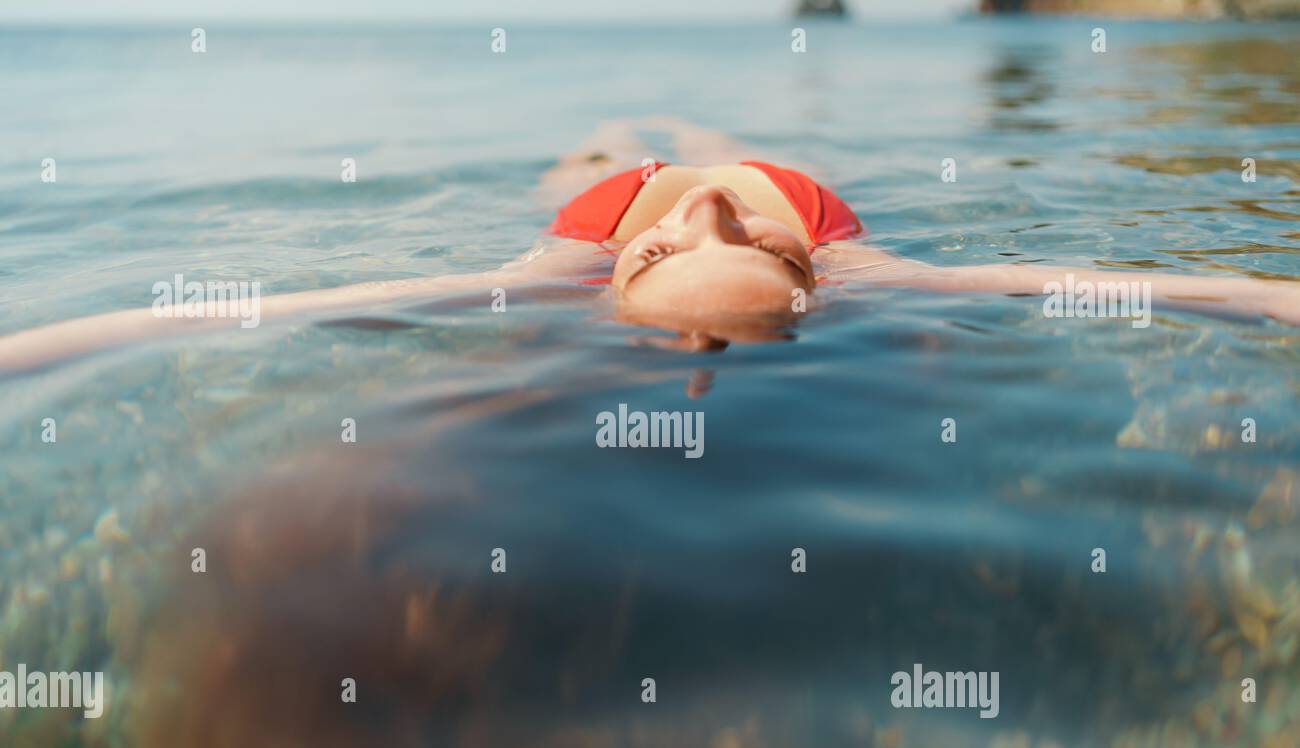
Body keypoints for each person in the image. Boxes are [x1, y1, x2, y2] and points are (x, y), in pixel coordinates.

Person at [1, 116, 1295, 373]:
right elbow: (1091, 284)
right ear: (807, 270)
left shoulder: (580, 251)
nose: (715, 209)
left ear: (626, 269)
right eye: (757, 243)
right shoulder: (840, 247)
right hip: (782, 170)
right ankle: (685, 122)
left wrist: (36, 349)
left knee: (593, 145)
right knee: (710, 131)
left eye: (683, 244)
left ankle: (624, 134)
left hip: (598, 190)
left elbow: (319, 302)